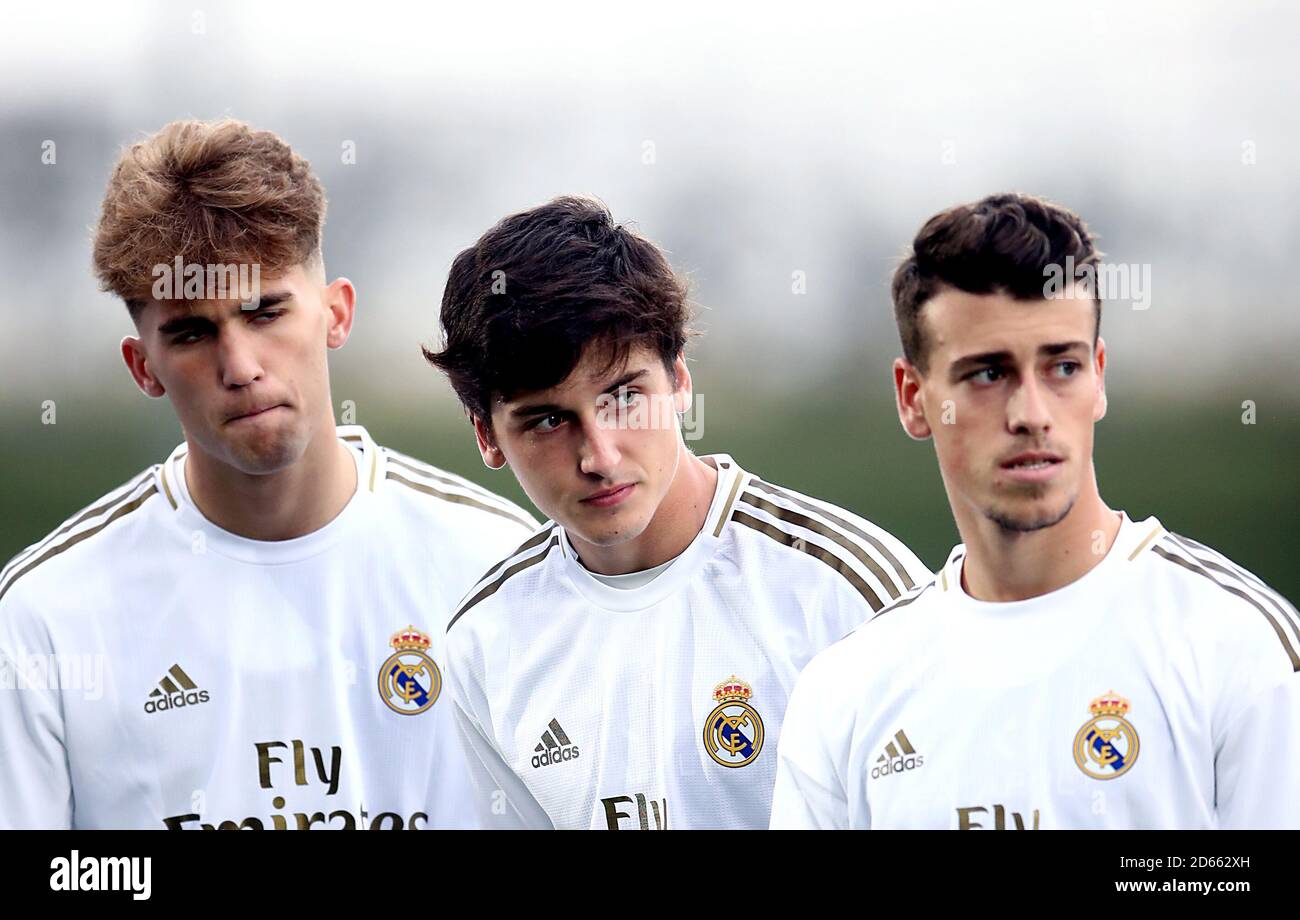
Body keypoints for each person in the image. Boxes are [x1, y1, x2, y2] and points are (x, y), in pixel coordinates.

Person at [0, 119, 536, 829]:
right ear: (142, 368)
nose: (241, 367)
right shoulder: (47, 616)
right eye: (192, 332)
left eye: (264, 311)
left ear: (335, 313)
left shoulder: (497, 562)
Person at [770, 192, 1300, 829]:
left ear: (1099, 378)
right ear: (913, 398)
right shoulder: (846, 691)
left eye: (1063, 367)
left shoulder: (1238, 647)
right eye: (989, 374)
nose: (1031, 413)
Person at [425, 196, 930, 829]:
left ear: (680, 381)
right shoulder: (485, 638)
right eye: (549, 420)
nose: (600, 456)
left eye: (624, 397)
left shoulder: (847, 591)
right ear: (487, 436)